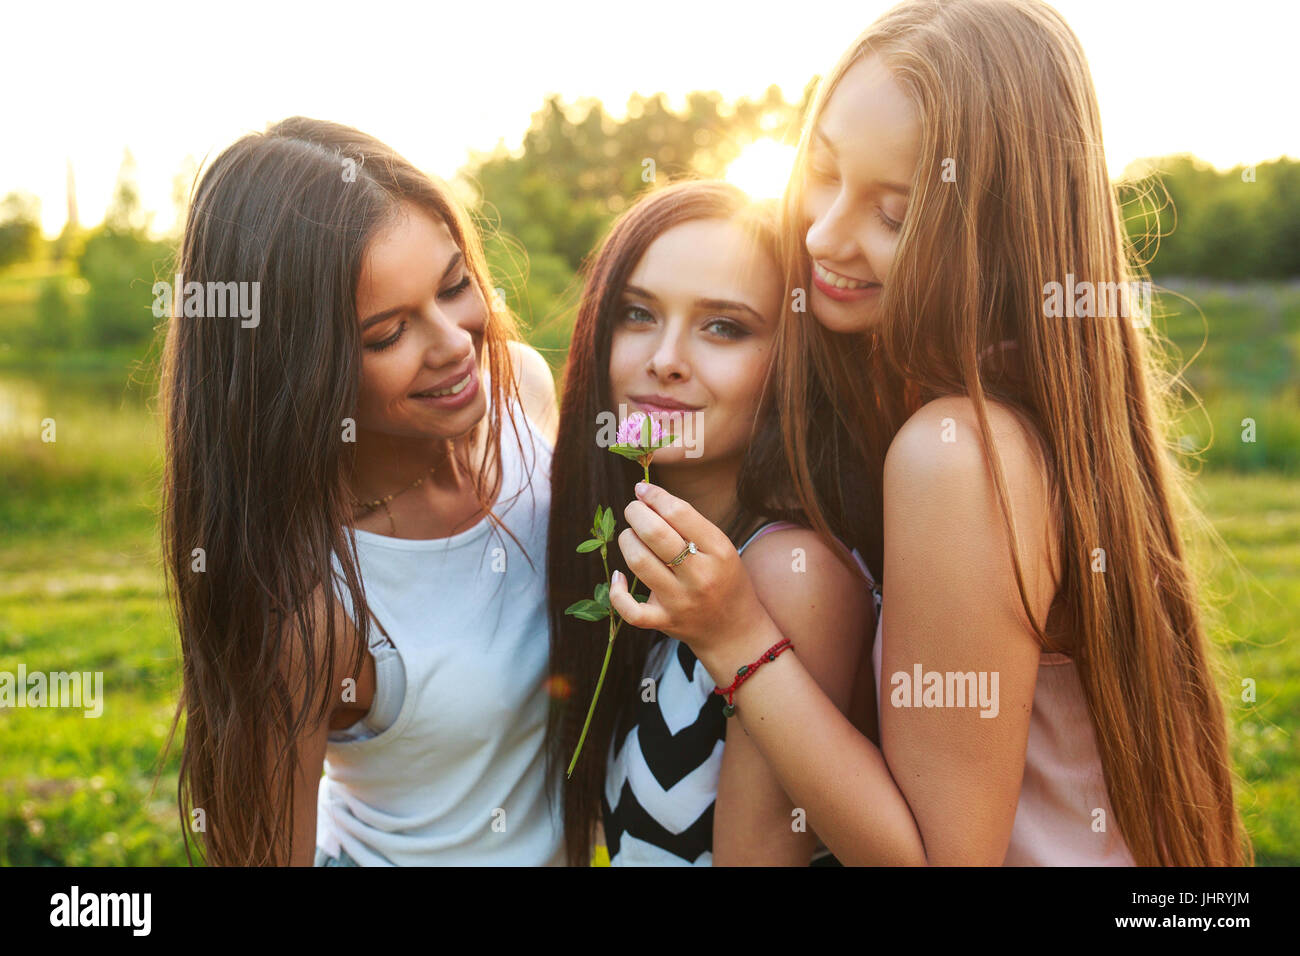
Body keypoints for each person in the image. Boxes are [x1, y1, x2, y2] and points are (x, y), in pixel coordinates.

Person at [607, 0, 1250, 866]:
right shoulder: (1012, 413)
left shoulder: (956, 452)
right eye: (825, 172)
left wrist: (736, 639)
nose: (824, 235)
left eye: (896, 214)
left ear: (996, 233)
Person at [160, 116, 564, 865]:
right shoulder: (310, 602)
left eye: (455, 286)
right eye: (387, 335)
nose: (452, 344)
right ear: (298, 369)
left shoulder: (525, 396)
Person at [547, 180, 878, 866]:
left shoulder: (791, 573)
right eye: (637, 313)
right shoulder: (647, 556)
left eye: (723, 326)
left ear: (791, 363)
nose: (664, 358)